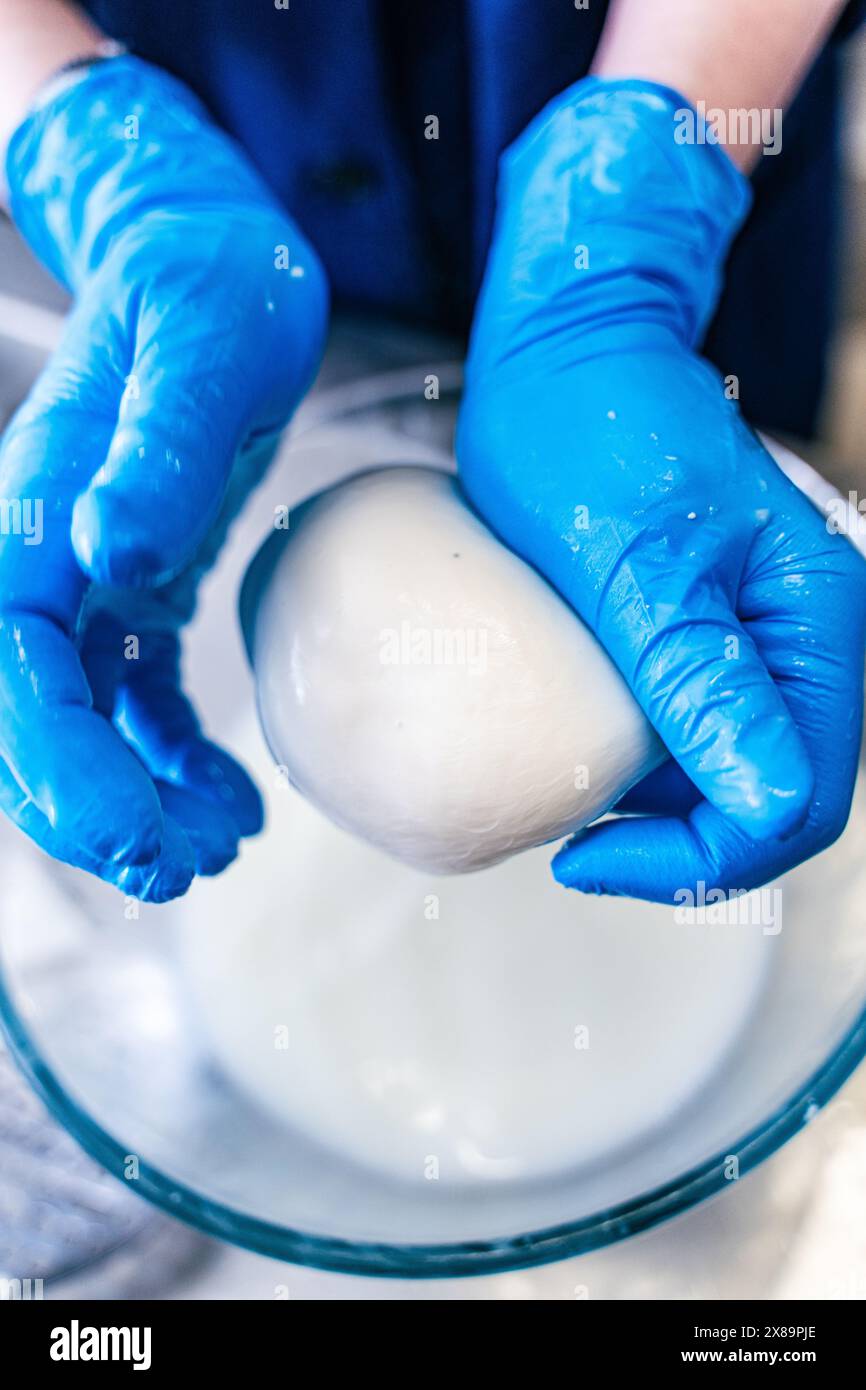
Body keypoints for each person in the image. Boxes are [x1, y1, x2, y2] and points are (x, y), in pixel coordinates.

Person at [0, 0, 864, 903]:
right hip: (228, 131)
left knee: (702, 574)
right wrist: (86, 142)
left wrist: (635, 215)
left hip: (696, 89)